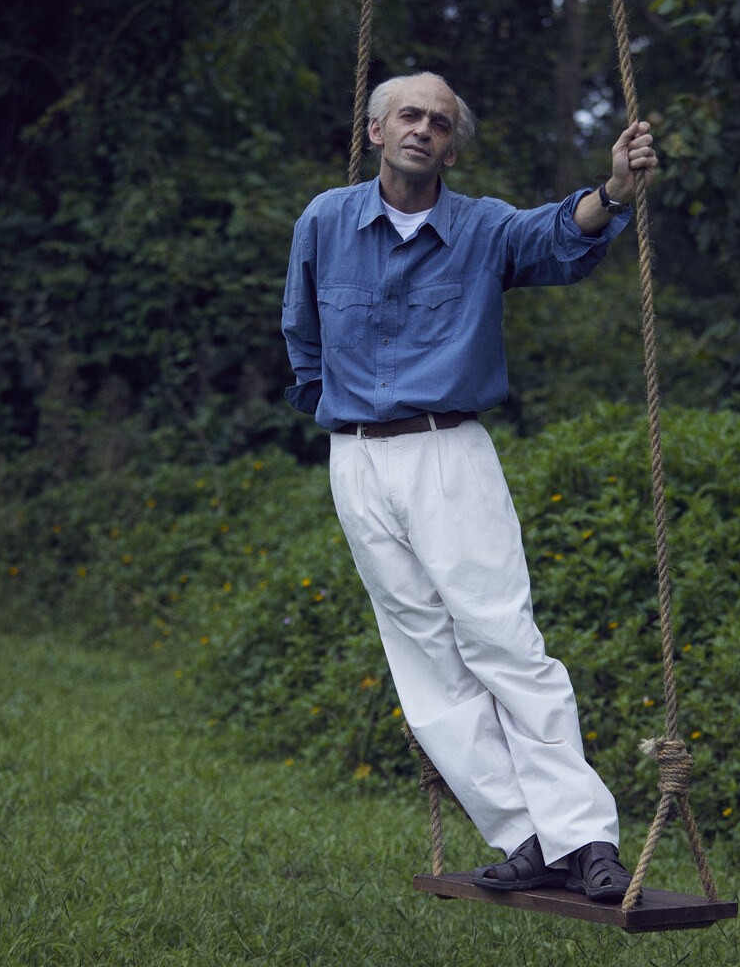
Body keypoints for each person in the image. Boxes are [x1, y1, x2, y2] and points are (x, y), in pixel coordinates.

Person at [280, 71, 658, 902]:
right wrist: (337, 417)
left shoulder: (483, 229)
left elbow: (562, 237)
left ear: (453, 145)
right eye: (408, 115)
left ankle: (587, 838)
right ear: (376, 132)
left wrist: (614, 190)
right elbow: (300, 336)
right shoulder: (325, 220)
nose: (423, 129)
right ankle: (526, 836)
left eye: (440, 122)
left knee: (503, 643)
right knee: (424, 665)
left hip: (448, 451)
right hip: (356, 460)